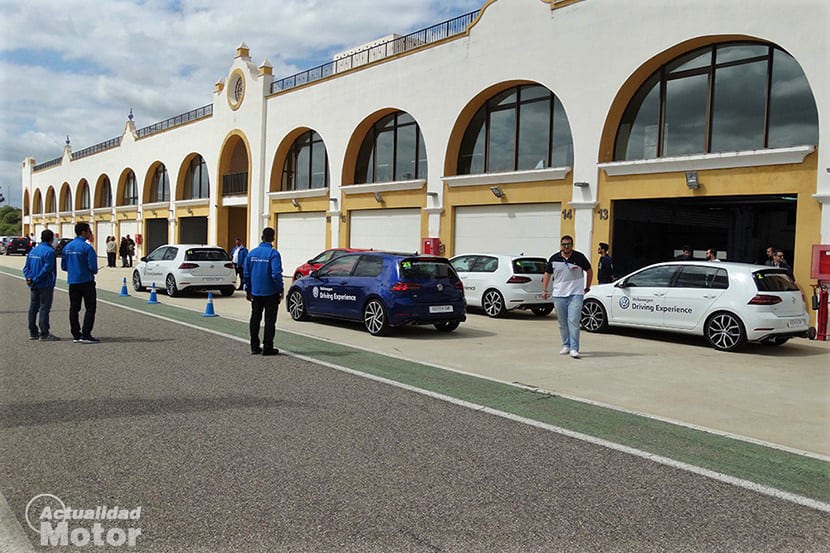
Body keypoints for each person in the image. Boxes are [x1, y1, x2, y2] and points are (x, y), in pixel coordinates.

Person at [541, 235, 593, 359]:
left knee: (574, 320)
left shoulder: (579, 257)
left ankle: (574, 348)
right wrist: (544, 290)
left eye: (569, 244)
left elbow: (589, 271)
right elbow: (547, 274)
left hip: (576, 294)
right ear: (561, 245)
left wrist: (587, 286)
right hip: (559, 295)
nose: (566, 247)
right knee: (562, 322)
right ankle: (566, 344)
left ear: (572, 245)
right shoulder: (554, 258)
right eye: (564, 244)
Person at [244, 227, 283, 356]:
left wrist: (248, 290)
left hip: (256, 292)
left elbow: (246, 274)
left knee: (255, 318)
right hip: (270, 292)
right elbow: (276, 274)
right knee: (269, 321)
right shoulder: (273, 254)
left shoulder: (252, 253)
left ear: (262, 237)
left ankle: (254, 346)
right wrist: (280, 290)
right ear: (273, 238)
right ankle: (267, 347)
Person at [61, 222, 100, 343]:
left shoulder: (67, 247)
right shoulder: (87, 248)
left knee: (74, 308)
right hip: (86, 281)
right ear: (83, 232)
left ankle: (76, 334)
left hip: (73, 281)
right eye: (89, 231)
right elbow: (93, 267)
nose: (90, 233)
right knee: (90, 308)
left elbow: (64, 266)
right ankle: (86, 334)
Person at [23, 229, 59, 341]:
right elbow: (47, 269)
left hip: (33, 284)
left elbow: (26, 267)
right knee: (44, 308)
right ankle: (44, 333)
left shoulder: (33, 251)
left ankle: (33, 332)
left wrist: (29, 278)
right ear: (51, 239)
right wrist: (37, 279)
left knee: (33, 307)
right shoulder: (50, 252)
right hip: (45, 284)